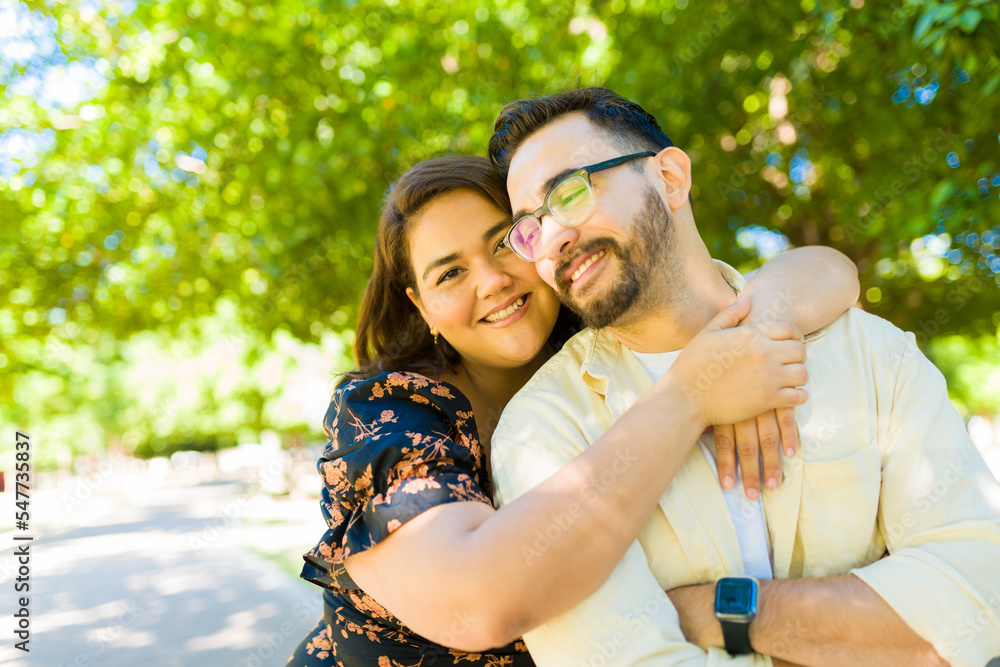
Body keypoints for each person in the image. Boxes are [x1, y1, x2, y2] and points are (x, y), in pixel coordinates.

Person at [485, 87, 1000, 667]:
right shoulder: (541, 432)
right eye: (529, 229)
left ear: (671, 178)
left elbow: (980, 594)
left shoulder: (868, 352)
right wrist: (870, 628)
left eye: (570, 192)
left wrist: (719, 614)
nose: (552, 240)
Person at [286, 155, 860, 666]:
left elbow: (826, 268)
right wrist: (690, 396)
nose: (491, 281)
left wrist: (750, 335)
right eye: (451, 273)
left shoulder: (600, 344)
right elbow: (482, 602)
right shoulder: (388, 413)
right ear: (422, 306)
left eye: (503, 243)